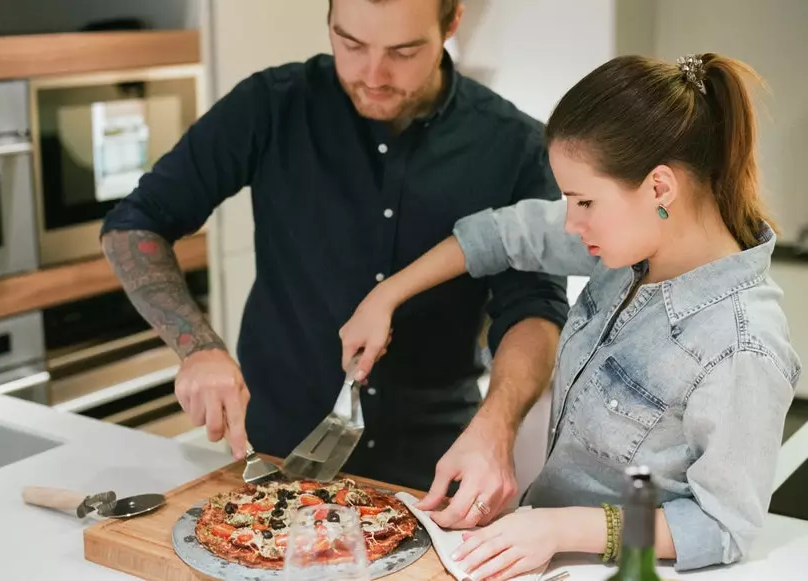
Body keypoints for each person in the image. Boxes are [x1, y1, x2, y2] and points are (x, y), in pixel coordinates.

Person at [99, 0, 569, 528]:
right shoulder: (270, 106)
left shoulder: (516, 146)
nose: (372, 75)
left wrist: (499, 424)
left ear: (451, 21)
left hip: (433, 473)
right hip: (274, 460)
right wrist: (198, 349)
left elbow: (536, 306)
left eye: (403, 50)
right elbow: (134, 224)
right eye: (350, 44)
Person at [339, 52, 802, 576]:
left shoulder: (742, 344)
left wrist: (561, 528)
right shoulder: (635, 245)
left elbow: (722, 526)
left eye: (582, 202)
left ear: (659, 188)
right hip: (544, 550)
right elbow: (501, 235)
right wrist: (386, 296)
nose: (569, 223)